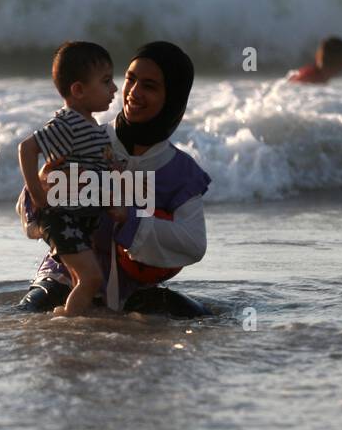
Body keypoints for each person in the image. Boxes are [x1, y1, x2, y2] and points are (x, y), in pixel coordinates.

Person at [17, 41, 212, 318]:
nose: (133, 92)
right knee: (26, 315)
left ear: (174, 98)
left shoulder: (180, 172)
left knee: (205, 321)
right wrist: (44, 183)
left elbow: (193, 243)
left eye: (150, 86)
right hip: (66, 278)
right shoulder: (87, 138)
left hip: (136, 291)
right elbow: (32, 221)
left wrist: (129, 219)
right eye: (131, 80)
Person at [17, 41, 123, 317]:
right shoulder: (69, 123)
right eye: (106, 81)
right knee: (91, 279)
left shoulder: (93, 128)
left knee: (81, 280)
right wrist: (37, 195)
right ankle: (65, 322)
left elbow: (102, 167)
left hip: (80, 219)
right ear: (78, 90)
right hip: (61, 219)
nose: (114, 89)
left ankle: (73, 321)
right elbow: (27, 148)